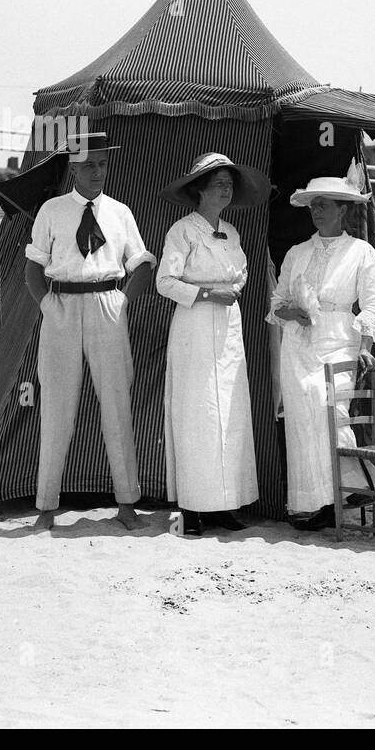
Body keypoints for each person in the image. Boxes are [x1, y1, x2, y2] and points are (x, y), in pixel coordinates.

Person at [23, 137, 154, 531]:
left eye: (102, 164)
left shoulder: (120, 212)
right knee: (57, 407)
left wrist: (122, 302)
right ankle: (46, 507)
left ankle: (127, 504)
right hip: (61, 307)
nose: (97, 171)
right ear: (73, 169)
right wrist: (48, 305)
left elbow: (142, 263)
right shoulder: (52, 210)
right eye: (89, 165)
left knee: (116, 404)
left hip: (107, 305)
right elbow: (32, 267)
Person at [156, 153, 270, 536]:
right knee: (198, 413)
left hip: (228, 326)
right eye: (218, 182)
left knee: (230, 411)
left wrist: (233, 288)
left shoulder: (233, 233)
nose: (225, 188)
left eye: (228, 183)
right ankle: (194, 508)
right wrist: (206, 294)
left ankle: (223, 505)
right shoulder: (182, 232)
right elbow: (165, 282)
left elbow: (243, 271)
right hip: (195, 325)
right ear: (200, 189)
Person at [268, 162, 375, 530]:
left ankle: (352, 488)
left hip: (340, 341)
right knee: (303, 417)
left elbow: (371, 306)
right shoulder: (297, 253)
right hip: (299, 343)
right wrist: (293, 312)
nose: (316, 211)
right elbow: (277, 302)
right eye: (313, 205)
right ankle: (317, 503)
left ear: (343, 210)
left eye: (325, 205)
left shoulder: (362, 252)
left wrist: (365, 346)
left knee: (328, 407)